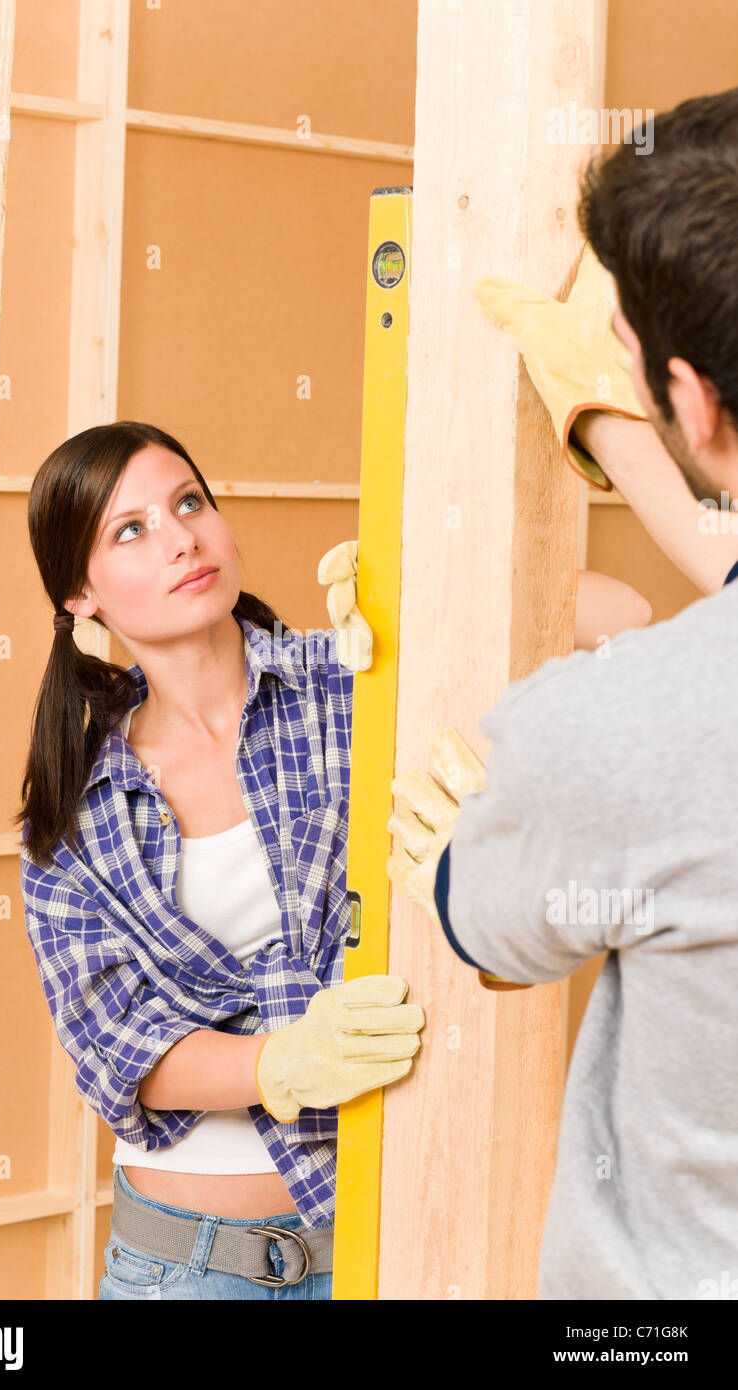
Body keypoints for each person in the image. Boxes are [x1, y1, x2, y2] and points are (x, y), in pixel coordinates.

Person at [387, 87, 738, 1299]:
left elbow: (484, 925)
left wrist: (458, 858)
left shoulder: (622, 726)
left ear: (692, 399)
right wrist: (616, 428)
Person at [15, 420, 427, 1301]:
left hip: (385, 1241)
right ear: (79, 595)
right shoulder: (75, 812)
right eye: (130, 531)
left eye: (188, 502)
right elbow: (120, 1048)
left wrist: (427, 596)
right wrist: (281, 1062)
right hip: (185, 1270)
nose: (181, 539)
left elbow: (607, 613)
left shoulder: (356, 684)